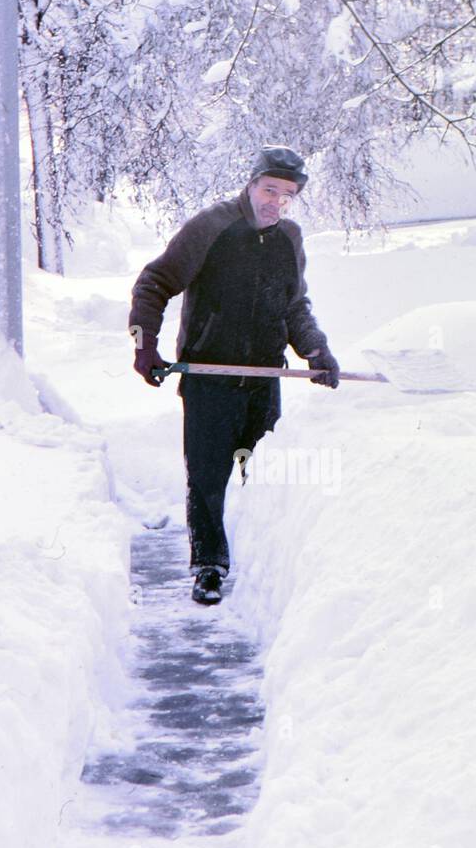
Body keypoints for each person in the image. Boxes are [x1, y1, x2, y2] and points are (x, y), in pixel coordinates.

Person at [129, 145, 340, 605]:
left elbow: (293, 304)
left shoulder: (290, 238)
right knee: (207, 478)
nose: (276, 202)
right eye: (270, 190)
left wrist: (315, 348)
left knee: (259, 473)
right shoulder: (213, 226)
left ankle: (259, 565)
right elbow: (154, 282)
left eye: (287, 195)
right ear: (252, 184)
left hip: (263, 377)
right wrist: (145, 343)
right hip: (210, 377)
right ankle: (209, 566)